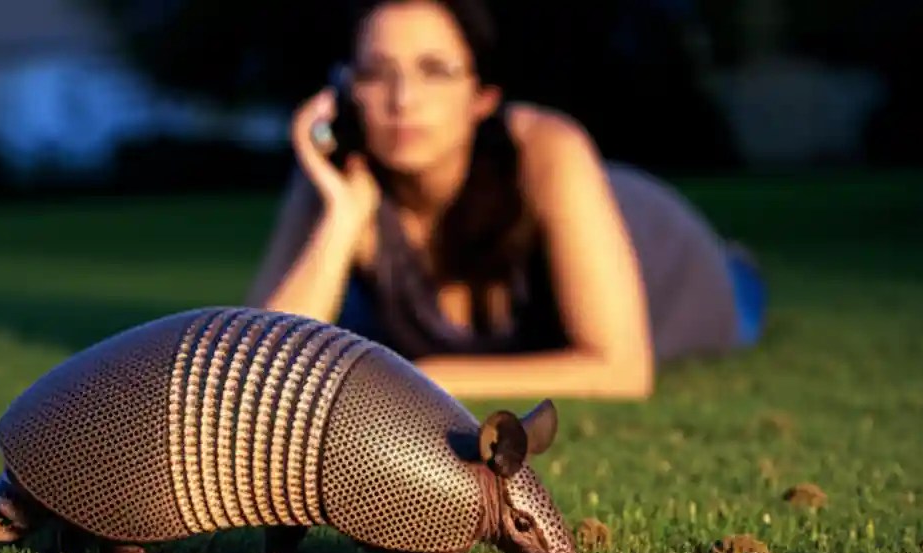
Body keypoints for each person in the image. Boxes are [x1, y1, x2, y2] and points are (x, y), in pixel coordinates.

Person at [245, 0, 766, 400]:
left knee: (741, 295)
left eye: (435, 70)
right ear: (345, 90)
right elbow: (257, 370)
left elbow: (622, 370)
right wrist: (342, 213)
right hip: (457, 303)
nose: (403, 99)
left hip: (671, 263)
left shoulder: (547, 149)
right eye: (376, 73)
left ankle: (740, 263)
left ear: (482, 95)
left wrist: (417, 378)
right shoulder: (340, 178)